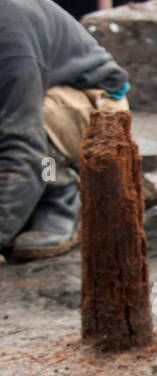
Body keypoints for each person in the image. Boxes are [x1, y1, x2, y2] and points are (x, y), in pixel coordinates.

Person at [0, 0, 131, 263]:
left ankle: (61, 194)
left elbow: (22, 143)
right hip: (36, 96)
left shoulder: (9, 36)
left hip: (96, 108)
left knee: (26, 124)